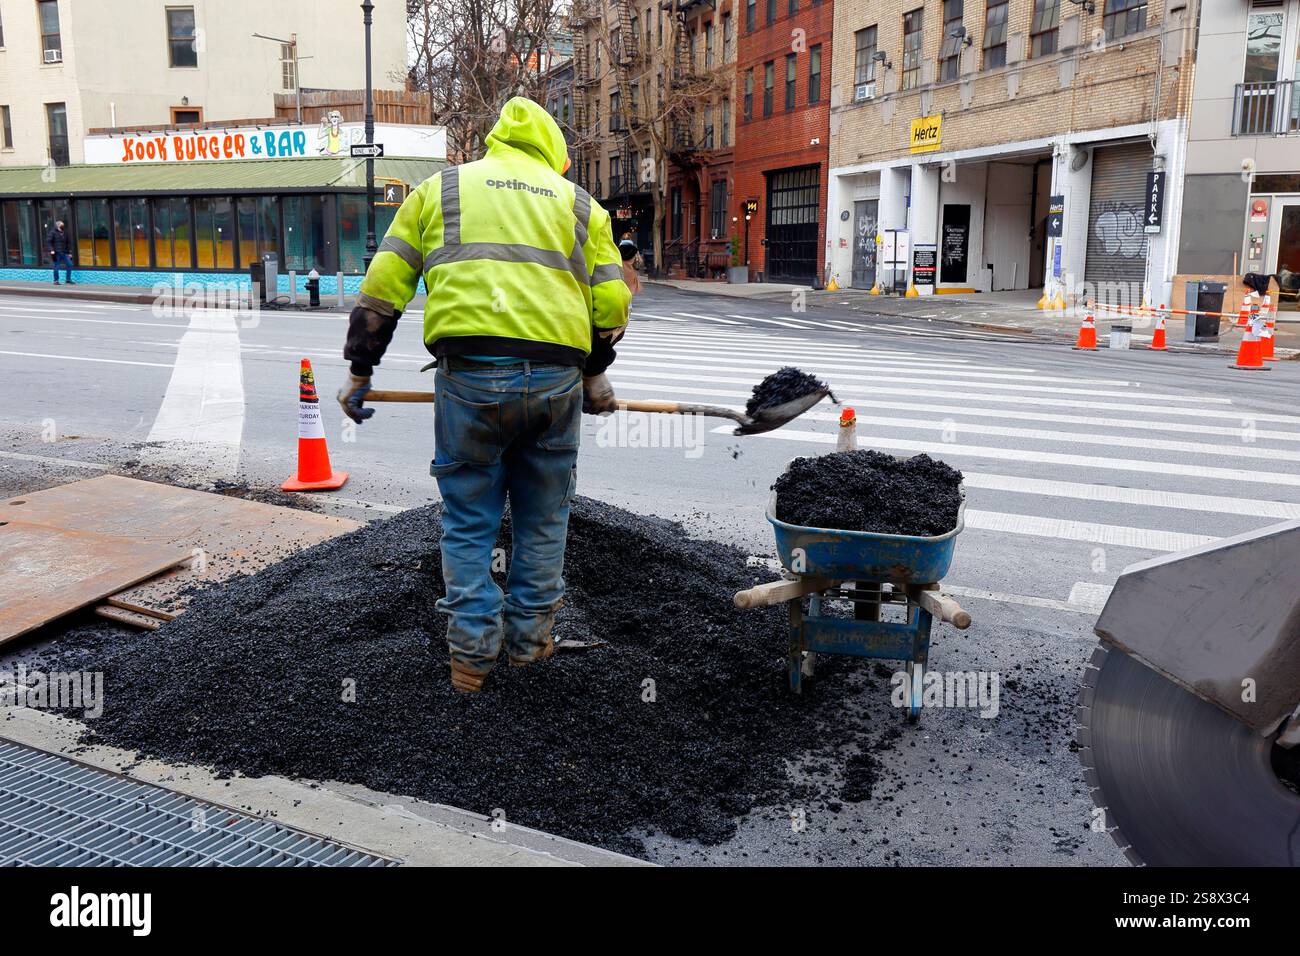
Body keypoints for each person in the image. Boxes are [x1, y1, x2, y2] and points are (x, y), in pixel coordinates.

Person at [337, 97, 631, 692]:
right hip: (555, 381)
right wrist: (596, 374)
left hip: (469, 377)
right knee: (544, 519)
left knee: (469, 520)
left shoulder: (441, 191)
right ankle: (529, 649)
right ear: (554, 151)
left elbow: (383, 287)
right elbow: (610, 301)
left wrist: (361, 370)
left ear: (496, 140)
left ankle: (471, 662)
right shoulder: (579, 205)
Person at [47, 220, 73, 285]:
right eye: (61, 225)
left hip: (65, 252)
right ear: (58, 225)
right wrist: (51, 250)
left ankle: (68, 279)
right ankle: (56, 280)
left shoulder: (65, 232)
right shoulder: (52, 232)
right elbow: (49, 242)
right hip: (56, 253)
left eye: (63, 225)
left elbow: (68, 243)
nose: (63, 226)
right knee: (56, 266)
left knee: (70, 264)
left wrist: (69, 252)